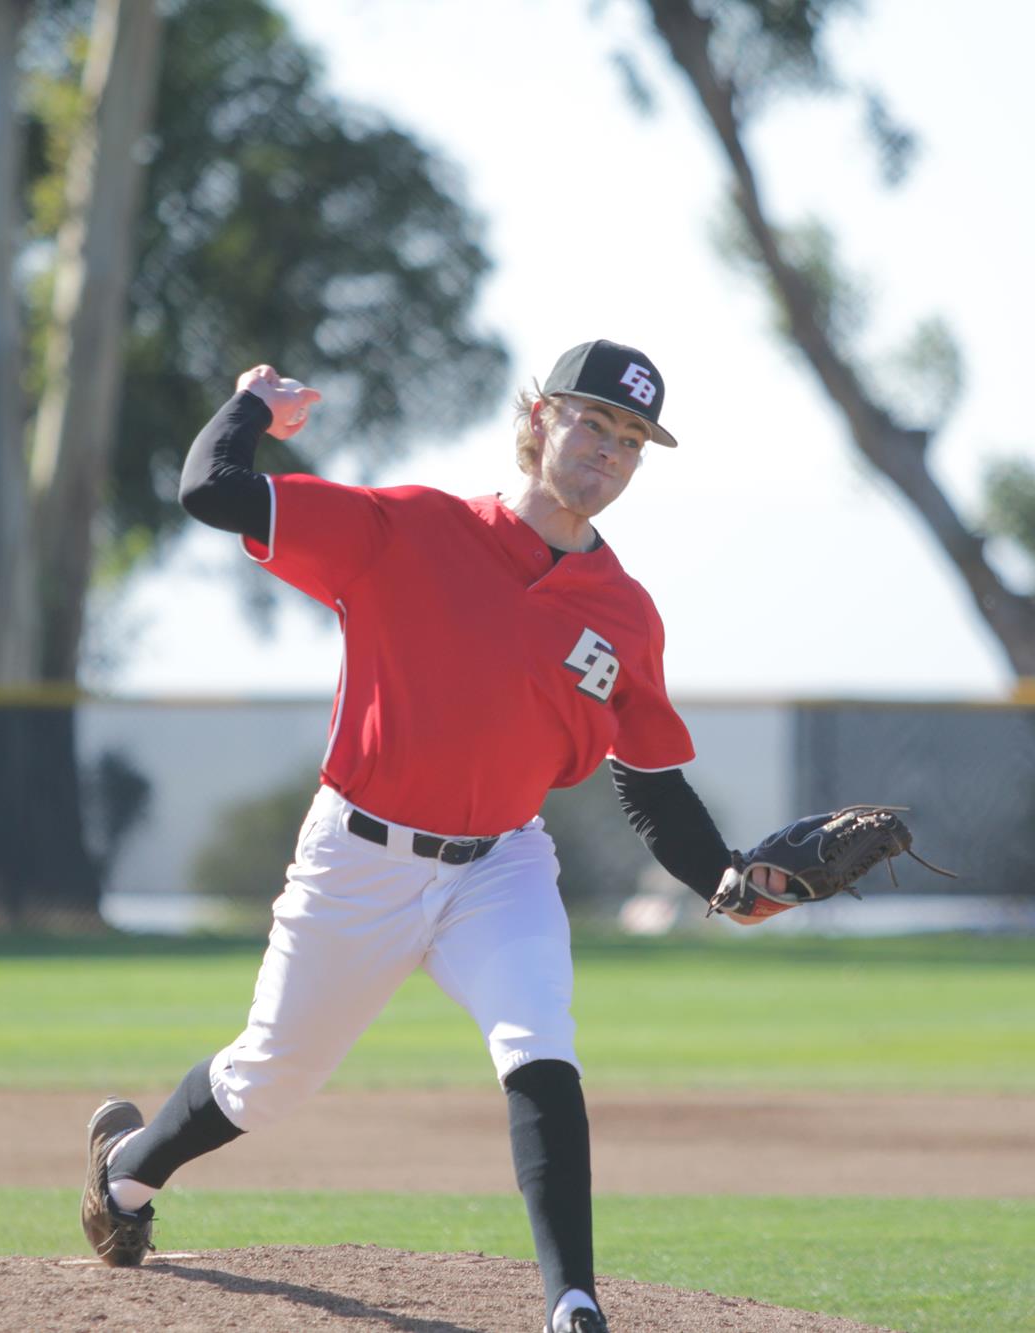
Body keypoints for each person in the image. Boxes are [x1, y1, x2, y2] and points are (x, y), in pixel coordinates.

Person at [80, 340, 792, 1333]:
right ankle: (124, 1177)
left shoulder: (624, 615)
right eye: (593, 422)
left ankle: (572, 1303)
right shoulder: (406, 529)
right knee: (265, 1078)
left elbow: (652, 785)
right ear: (538, 419)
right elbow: (211, 489)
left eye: (631, 439)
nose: (609, 451)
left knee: (537, 1039)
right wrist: (250, 406)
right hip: (355, 860)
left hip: (499, 865)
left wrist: (722, 876)